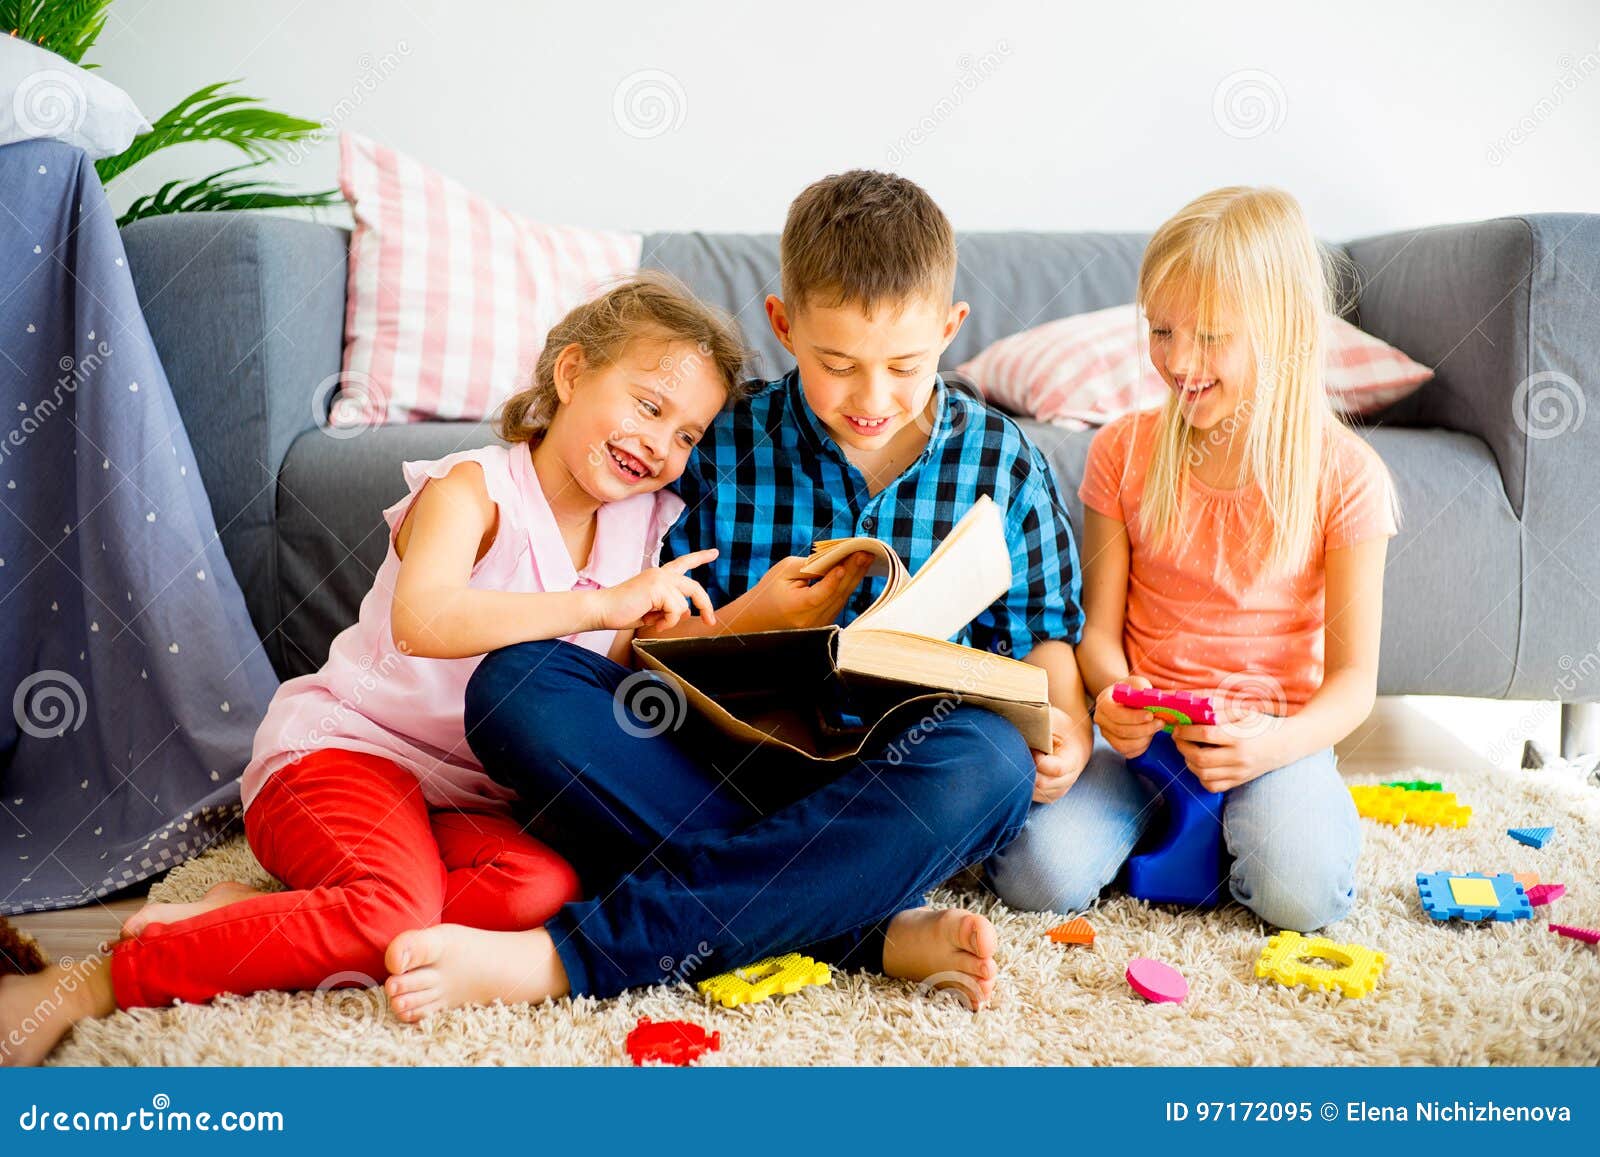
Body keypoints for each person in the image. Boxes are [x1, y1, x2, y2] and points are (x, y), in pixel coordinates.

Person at [0, 273, 748, 1066]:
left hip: (459, 801)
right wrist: (600, 606)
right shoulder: (473, 489)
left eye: (688, 435)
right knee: (392, 912)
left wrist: (726, 618)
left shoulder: (641, 527)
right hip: (343, 756)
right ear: (570, 374)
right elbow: (425, 620)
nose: (661, 445)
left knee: (543, 890)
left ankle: (271, 913)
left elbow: (613, 678)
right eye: (648, 406)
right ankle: (99, 981)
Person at [986, 187, 1397, 932]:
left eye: (1209, 337)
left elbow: (1352, 684)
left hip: (1273, 736)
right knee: (1032, 875)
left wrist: (1269, 747)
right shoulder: (1121, 450)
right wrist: (1114, 696)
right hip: (1140, 745)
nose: (1178, 361)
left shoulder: (1348, 475)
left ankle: (1232, 834)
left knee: (1300, 897)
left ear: (1284, 333)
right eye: (1162, 330)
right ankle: (1177, 832)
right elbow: (1099, 638)